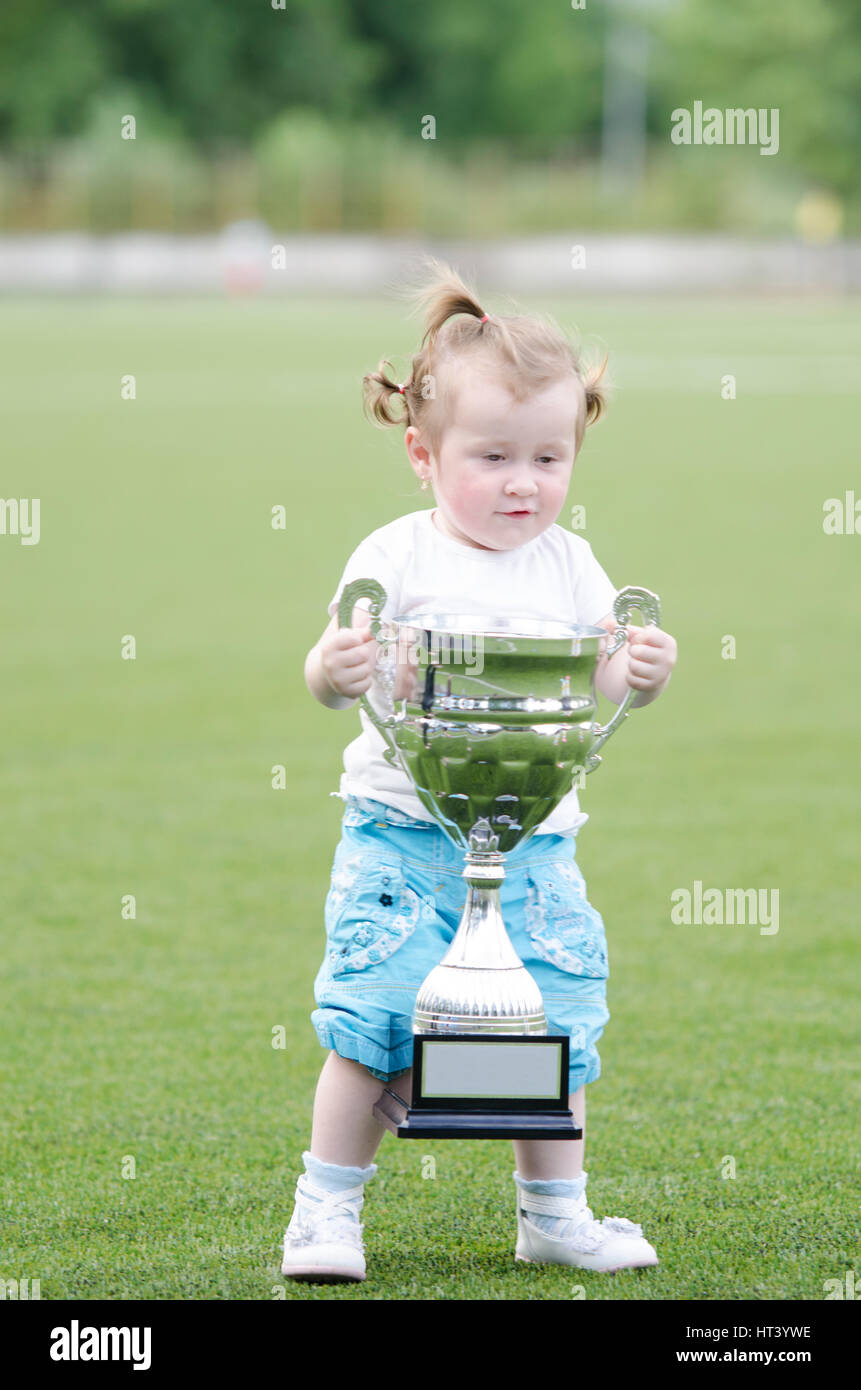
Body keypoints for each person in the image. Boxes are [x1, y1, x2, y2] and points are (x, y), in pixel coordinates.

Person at [282, 259, 677, 1282]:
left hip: (535, 847)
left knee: (553, 1023)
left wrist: (638, 665)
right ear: (423, 453)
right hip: (405, 842)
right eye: (493, 455)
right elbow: (331, 673)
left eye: (549, 457)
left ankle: (554, 1211)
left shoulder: (569, 564)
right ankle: (325, 1210)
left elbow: (604, 671)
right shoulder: (400, 554)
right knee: (374, 1022)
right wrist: (334, 664)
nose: (523, 481)